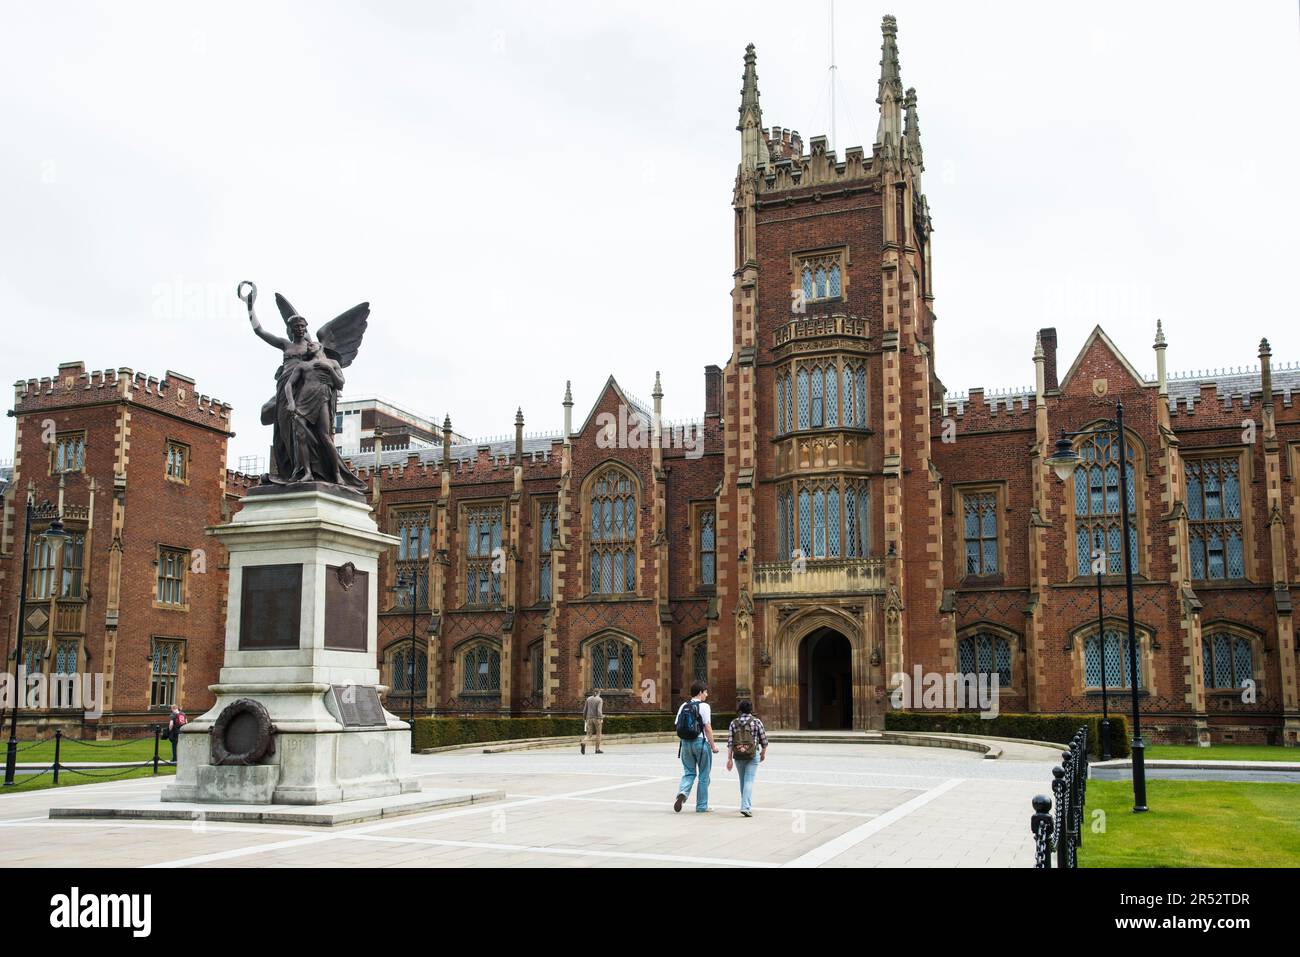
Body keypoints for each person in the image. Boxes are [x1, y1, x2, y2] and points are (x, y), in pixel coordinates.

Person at [673, 681, 717, 813]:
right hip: (700, 743)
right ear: (700, 692)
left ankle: (682, 792)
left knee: (689, 773)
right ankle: (702, 806)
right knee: (704, 775)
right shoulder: (704, 706)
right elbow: (707, 728)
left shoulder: (683, 706)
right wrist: (713, 746)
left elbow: (677, 725)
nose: (707, 694)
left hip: (685, 743)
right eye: (705, 692)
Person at [726, 699, 768, 817]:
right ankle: (745, 806)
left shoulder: (733, 723)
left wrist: (729, 759)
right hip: (752, 754)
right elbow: (764, 741)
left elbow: (730, 743)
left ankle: (744, 804)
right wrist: (763, 753)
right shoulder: (757, 722)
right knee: (749, 781)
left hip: (738, 755)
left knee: (743, 781)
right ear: (751, 709)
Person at [582, 689, 604, 755]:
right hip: (597, 718)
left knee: (589, 734)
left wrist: (584, 718)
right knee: (598, 734)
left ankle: (583, 742)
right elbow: (599, 710)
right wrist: (601, 718)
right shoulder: (599, 699)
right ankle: (597, 749)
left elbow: (585, 709)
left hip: (588, 718)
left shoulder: (588, 699)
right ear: (598, 693)